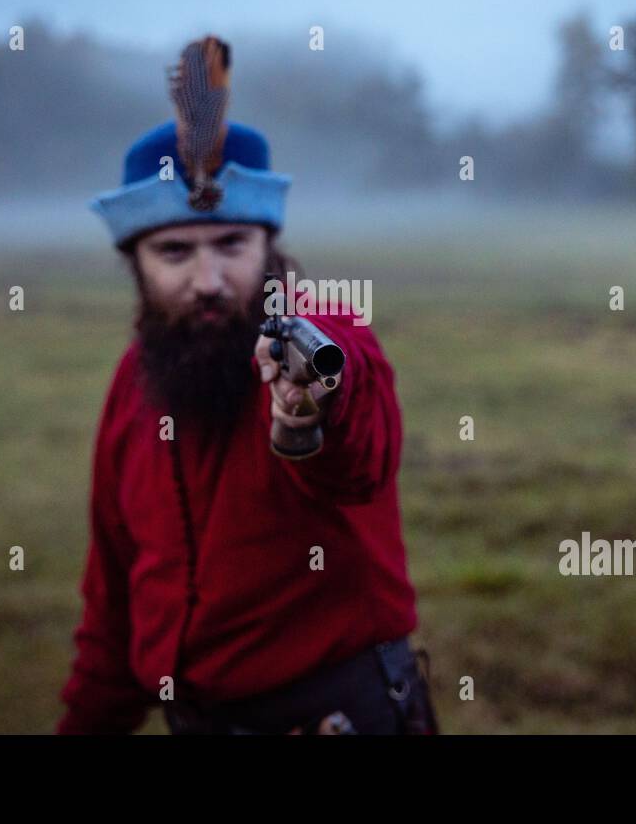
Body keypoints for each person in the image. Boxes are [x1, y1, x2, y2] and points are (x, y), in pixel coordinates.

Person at [57, 36, 437, 735]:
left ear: (269, 250)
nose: (208, 282)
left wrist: (309, 415)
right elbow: (112, 615)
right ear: (135, 263)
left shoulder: (321, 329)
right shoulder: (132, 383)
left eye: (232, 245)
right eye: (174, 252)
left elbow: (359, 430)